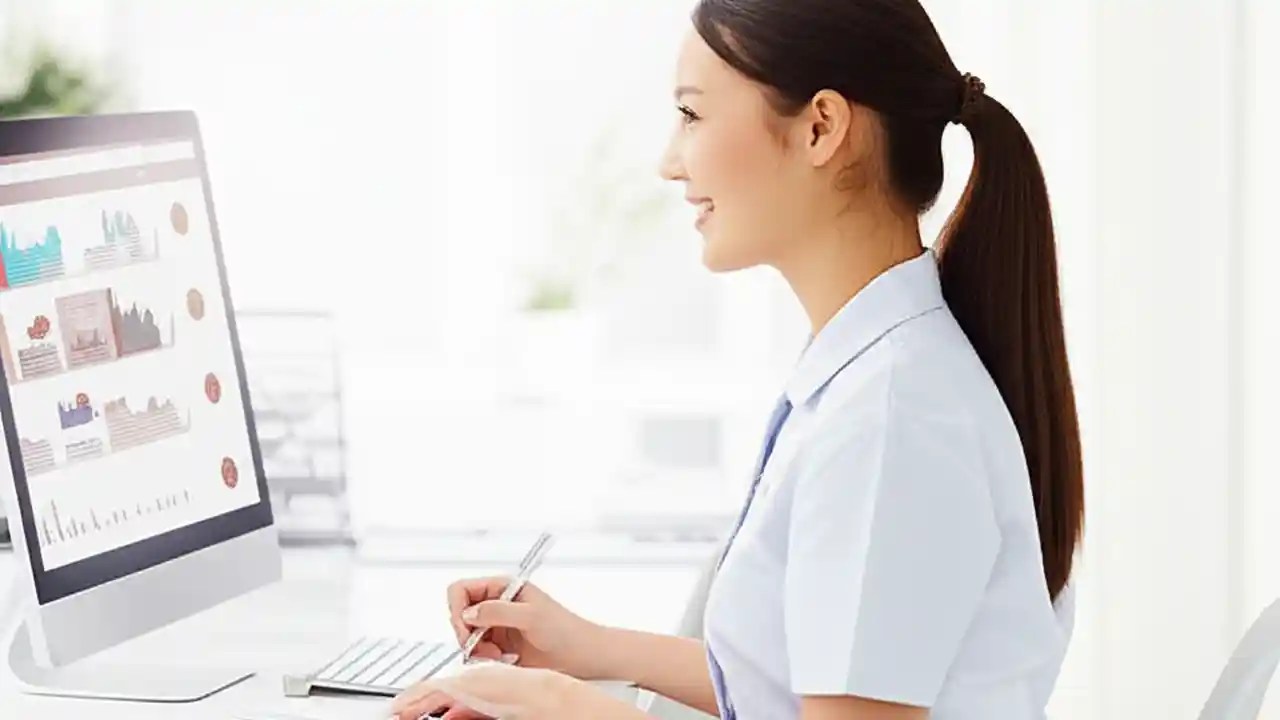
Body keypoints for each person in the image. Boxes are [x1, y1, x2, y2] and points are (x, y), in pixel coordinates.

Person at [391, 0, 1084, 717]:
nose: (669, 162)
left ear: (820, 127)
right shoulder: (876, 375)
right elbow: (790, 688)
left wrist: (563, 707)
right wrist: (589, 648)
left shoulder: (892, 415)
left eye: (692, 114)